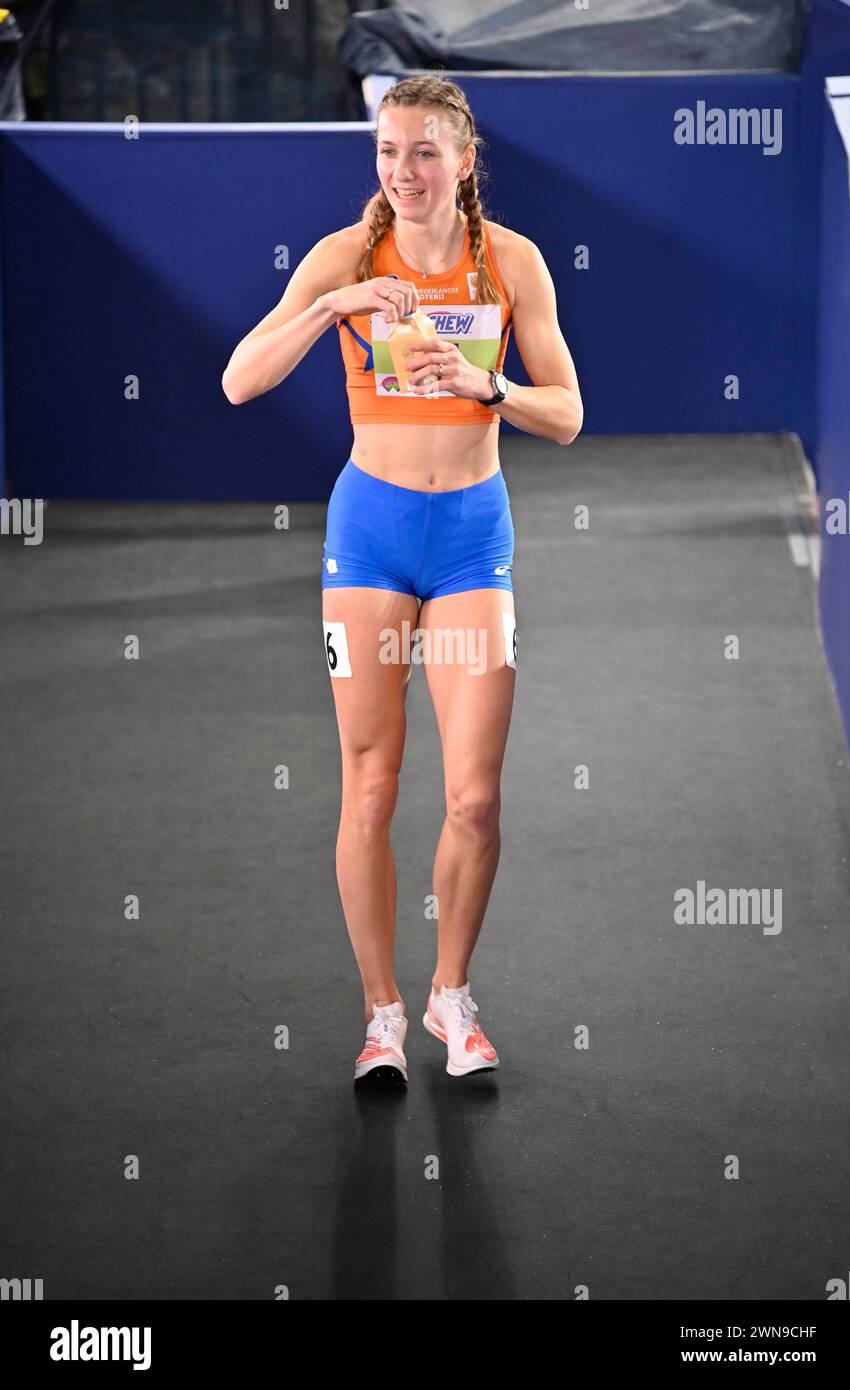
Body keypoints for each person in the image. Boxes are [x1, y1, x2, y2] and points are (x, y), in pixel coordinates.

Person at [222, 75, 583, 1087]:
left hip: (470, 541)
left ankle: (446, 995)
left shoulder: (509, 261)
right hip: (370, 538)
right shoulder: (348, 255)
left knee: (471, 798)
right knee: (371, 788)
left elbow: (567, 413)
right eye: (388, 151)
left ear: (464, 159)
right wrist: (332, 302)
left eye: (425, 151)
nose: (402, 171)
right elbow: (239, 378)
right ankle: (380, 1012)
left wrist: (488, 386)